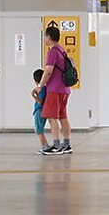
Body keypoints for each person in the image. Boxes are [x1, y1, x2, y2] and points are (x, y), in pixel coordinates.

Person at [33, 26, 73, 155]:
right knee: (63, 117)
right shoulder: (62, 50)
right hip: (65, 89)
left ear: (49, 37)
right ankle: (66, 144)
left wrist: (40, 85)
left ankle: (56, 145)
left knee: (52, 117)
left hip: (54, 89)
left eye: (45, 36)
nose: (44, 39)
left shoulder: (53, 52)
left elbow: (48, 71)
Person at [31, 68, 49, 153]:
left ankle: (44, 146)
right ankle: (46, 145)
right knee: (40, 129)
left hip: (39, 110)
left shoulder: (41, 89)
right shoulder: (45, 88)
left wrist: (33, 95)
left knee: (39, 130)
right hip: (43, 110)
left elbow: (40, 101)